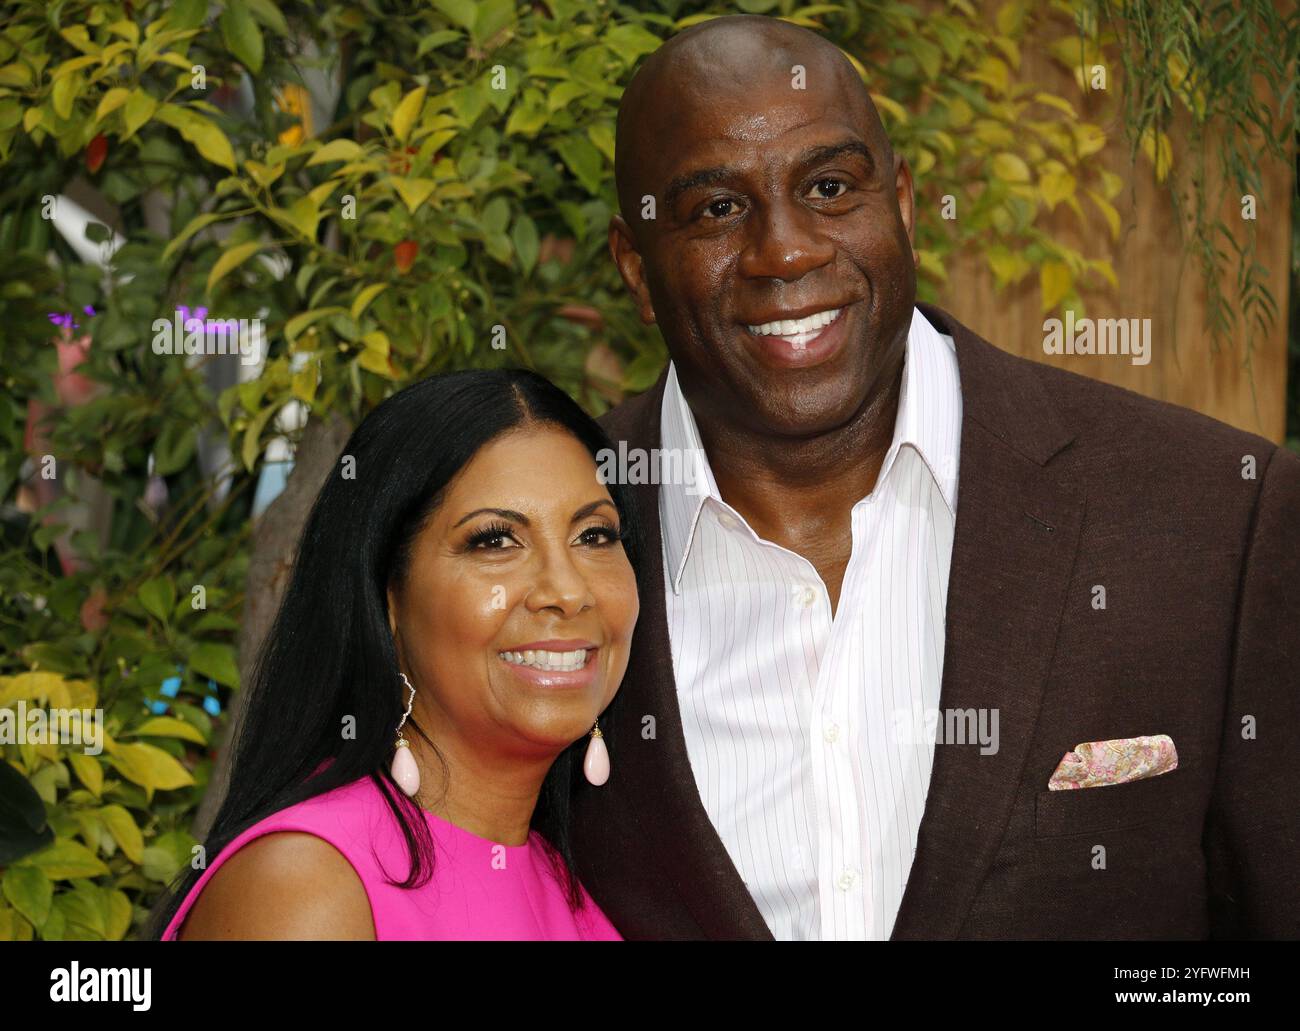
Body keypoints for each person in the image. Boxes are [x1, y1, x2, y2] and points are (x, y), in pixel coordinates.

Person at [568, 14, 1300, 940]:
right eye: (716, 209)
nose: (785, 250)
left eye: (830, 187)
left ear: (904, 207)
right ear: (635, 267)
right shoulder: (527, 546)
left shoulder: (1216, 516)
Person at [148, 369, 641, 940]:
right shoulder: (305, 885)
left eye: (594, 535)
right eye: (494, 540)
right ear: (388, 600)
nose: (567, 591)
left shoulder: (579, 894)